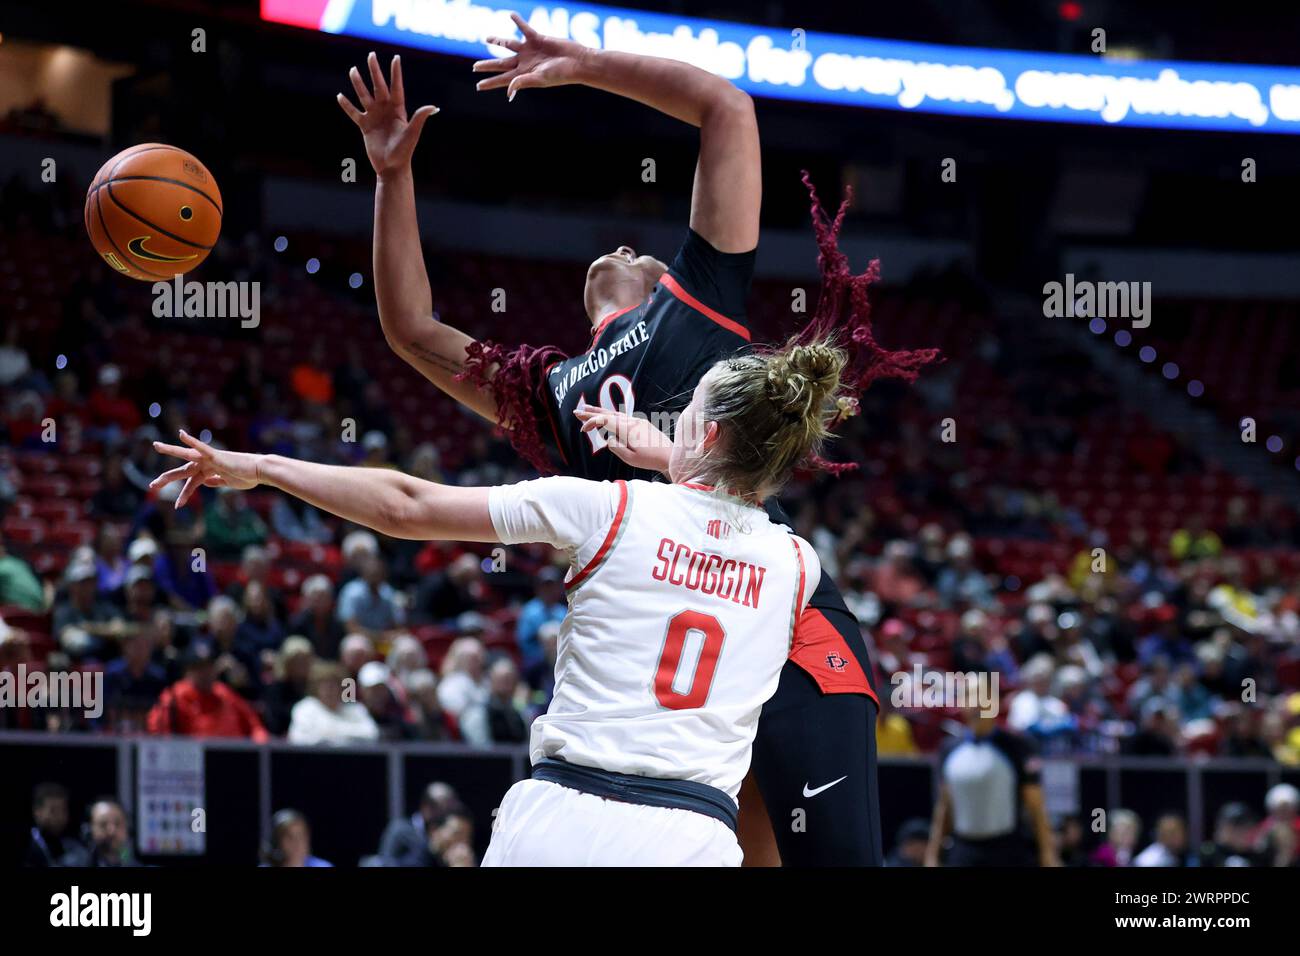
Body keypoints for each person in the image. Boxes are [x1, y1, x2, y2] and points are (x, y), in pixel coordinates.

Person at [340, 18, 939, 865]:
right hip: (676, 661)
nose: (622, 245)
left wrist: (585, 65)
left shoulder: (700, 297)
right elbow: (410, 329)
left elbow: (725, 107)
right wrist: (392, 176)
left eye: (639, 246)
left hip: (779, 613)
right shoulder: (546, 390)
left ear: (669, 276)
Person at [149, 332, 840, 866]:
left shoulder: (608, 508)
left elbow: (407, 504)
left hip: (566, 813)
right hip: (693, 834)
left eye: (687, 413)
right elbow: (726, 515)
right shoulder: (799, 566)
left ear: (708, 434)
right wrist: (674, 460)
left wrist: (263, 468)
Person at [925, 676, 1059, 867]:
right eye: (970, 697)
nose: (977, 704)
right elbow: (944, 807)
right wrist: (932, 856)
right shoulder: (949, 749)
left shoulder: (1018, 747)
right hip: (963, 852)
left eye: (983, 697)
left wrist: (1049, 856)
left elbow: (1036, 807)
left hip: (1008, 852)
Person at [145, 644, 269, 742]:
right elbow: (158, 732)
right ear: (188, 671)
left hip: (231, 761)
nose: (205, 673)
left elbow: (254, 724)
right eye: (199, 668)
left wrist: (260, 743)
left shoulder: (223, 692)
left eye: (209, 667)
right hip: (192, 765)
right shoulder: (174, 696)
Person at [23, 783, 89, 867]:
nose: (60, 817)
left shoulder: (74, 846)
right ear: (37, 811)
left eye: (63, 810)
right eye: (53, 811)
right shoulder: (28, 847)